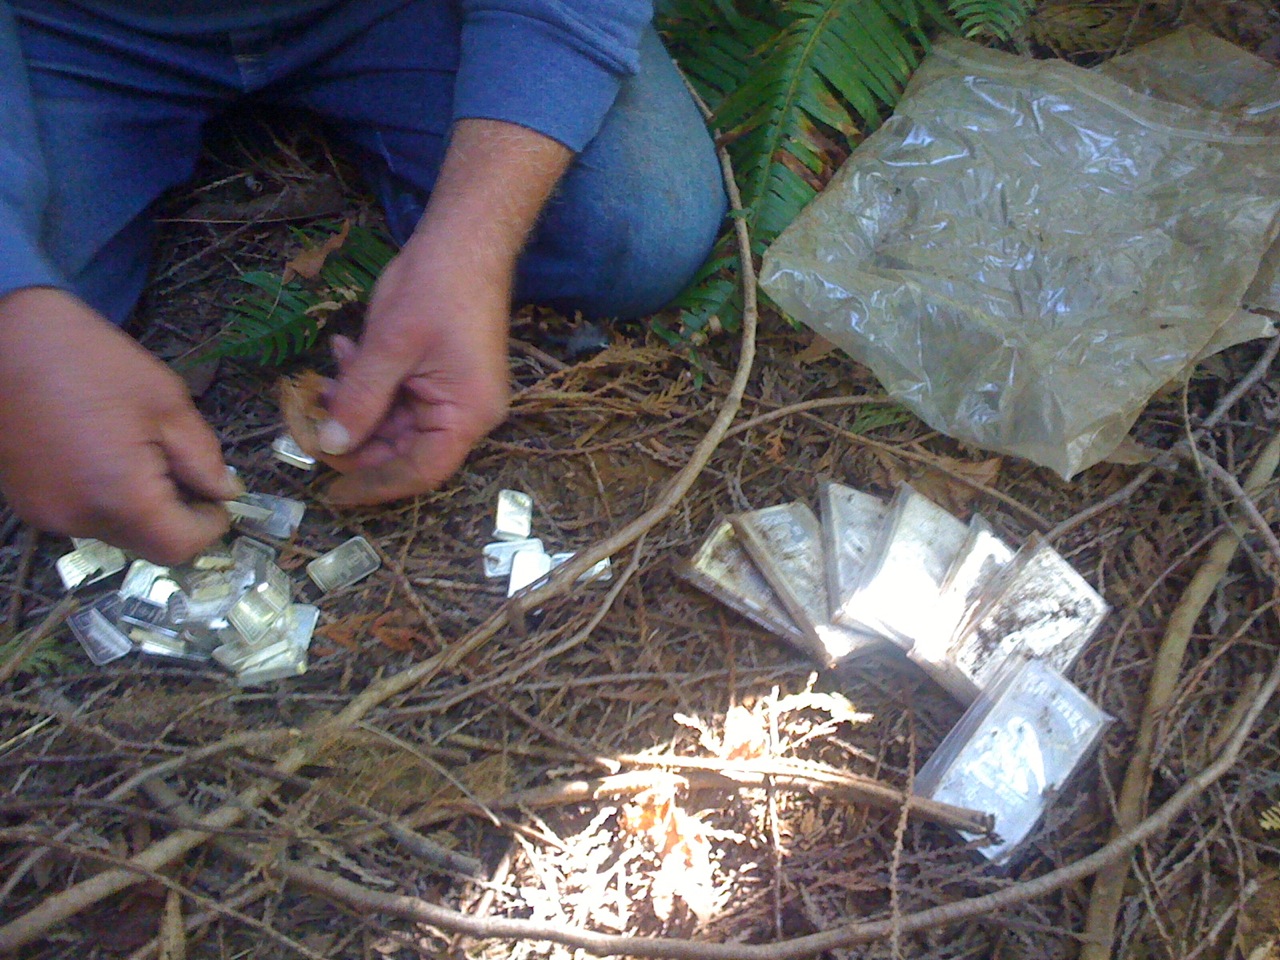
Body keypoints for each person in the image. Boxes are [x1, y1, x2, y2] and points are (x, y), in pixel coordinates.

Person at [0, 0, 726, 565]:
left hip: (392, 13)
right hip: (61, 30)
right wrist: (14, 316)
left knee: (633, 224)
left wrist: (471, 244)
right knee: (48, 360)